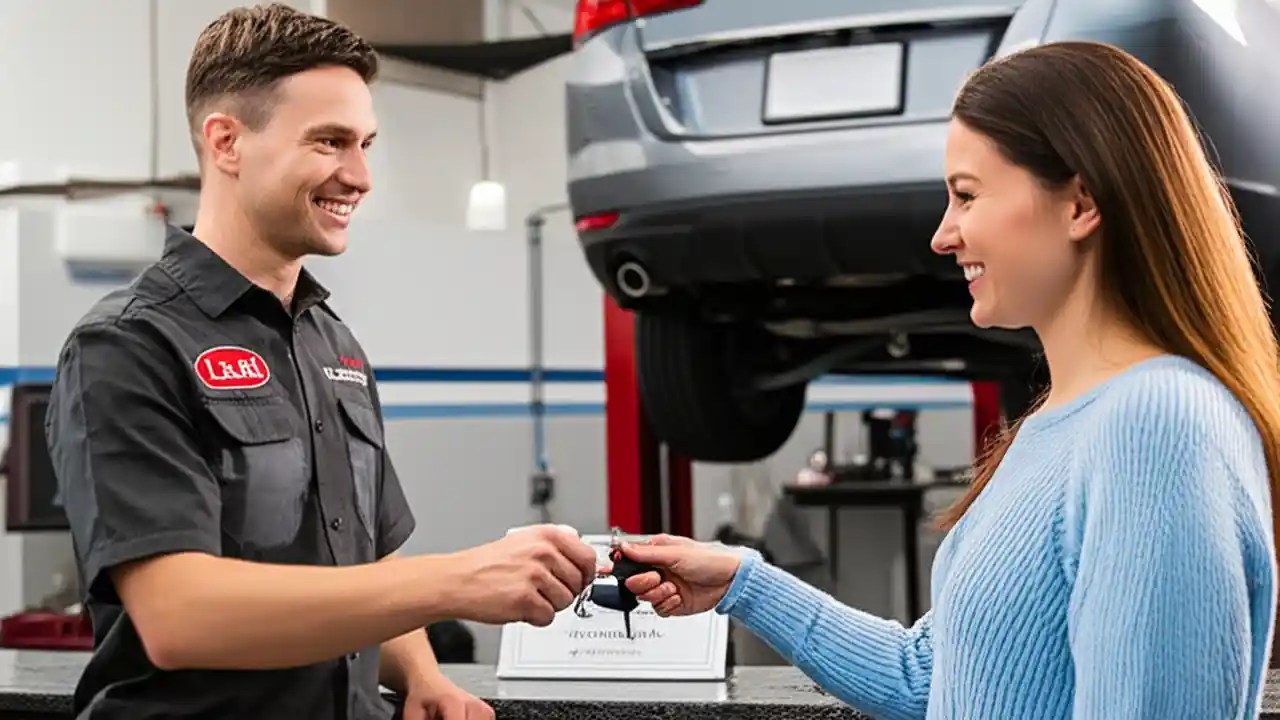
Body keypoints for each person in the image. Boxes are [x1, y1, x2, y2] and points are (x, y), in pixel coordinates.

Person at [615, 41, 1280, 719]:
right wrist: (744, 584)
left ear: (1080, 203)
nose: (943, 235)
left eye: (966, 195)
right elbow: (930, 675)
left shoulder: (1158, 421)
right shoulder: (1055, 428)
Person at [43, 4, 599, 719]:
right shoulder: (126, 346)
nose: (360, 176)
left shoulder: (332, 344)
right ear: (226, 142)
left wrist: (423, 676)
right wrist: (457, 581)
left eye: (366, 144)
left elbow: (365, 559)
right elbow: (179, 616)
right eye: (330, 142)